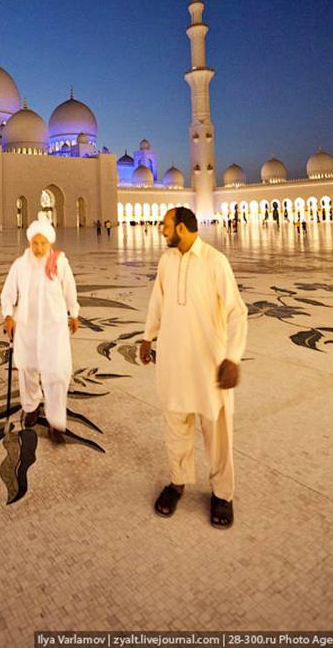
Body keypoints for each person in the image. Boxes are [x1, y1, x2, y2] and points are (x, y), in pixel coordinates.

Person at [140, 207, 247, 529]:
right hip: (174, 361)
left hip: (207, 365)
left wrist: (233, 357)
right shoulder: (166, 261)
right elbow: (157, 302)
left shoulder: (215, 262)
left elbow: (237, 312)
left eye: (166, 226)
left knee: (217, 432)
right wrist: (147, 337)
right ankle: (177, 482)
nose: (161, 230)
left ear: (183, 228)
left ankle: (223, 494)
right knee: (176, 425)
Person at [1, 211, 80, 444]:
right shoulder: (20, 265)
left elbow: (69, 289)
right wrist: (8, 315)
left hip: (53, 327)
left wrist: (73, 312)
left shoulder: (60, 263)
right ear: (29, 242)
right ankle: (31, 405)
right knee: (27, 369)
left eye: (42, 243)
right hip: (26, 327)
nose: (38, 247)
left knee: (56, 372)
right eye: (35, 242)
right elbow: (8, 292)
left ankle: (56, 421)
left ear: (50, 242)